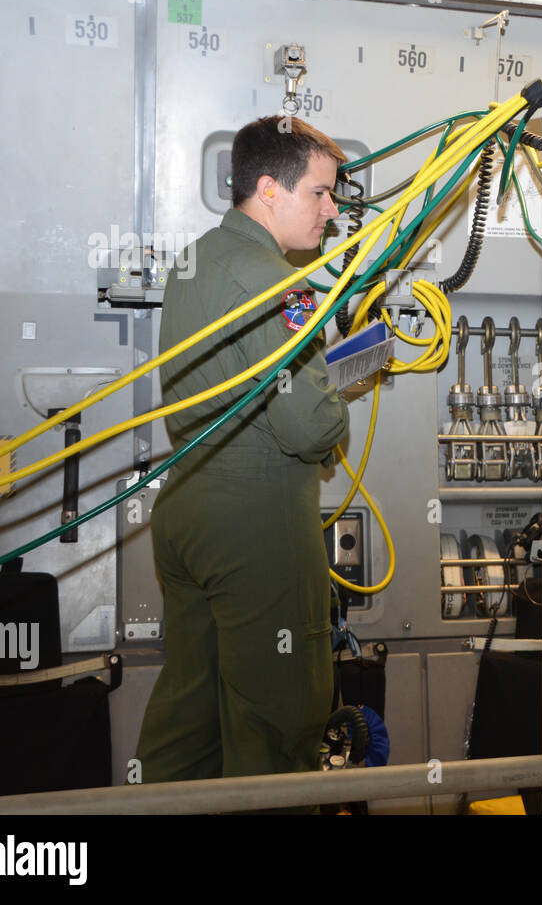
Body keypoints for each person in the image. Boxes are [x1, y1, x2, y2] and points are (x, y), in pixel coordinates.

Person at [136, 116, 350, 791]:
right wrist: (335, 391)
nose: (331, 210)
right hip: (255, 529)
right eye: (318, 193)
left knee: (189, 719)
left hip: (186, 515)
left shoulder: (193, 261)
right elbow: (311, 427)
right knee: (278, 726)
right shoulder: (277, 282)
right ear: (267, 189)